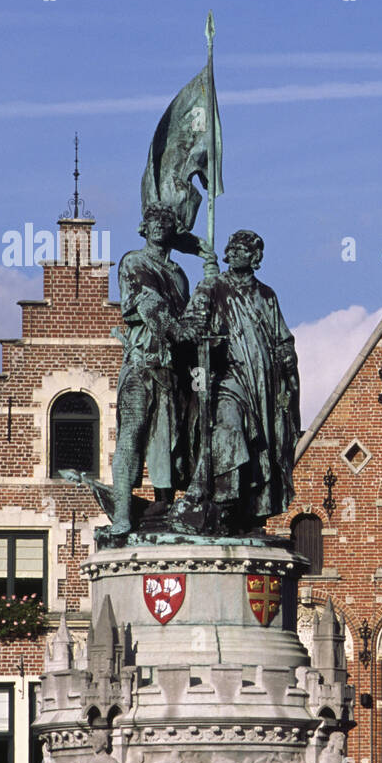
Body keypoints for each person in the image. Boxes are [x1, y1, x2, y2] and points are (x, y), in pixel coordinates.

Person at [177, 229, 300, 534]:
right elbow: (192, 325)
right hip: (225, 377)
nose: (232, 252)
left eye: (241, 249)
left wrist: (287, 361)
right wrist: (195, 335)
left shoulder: (267, 295)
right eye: (230, 247)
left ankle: (250, 512)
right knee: (229, 430)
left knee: (263, 447)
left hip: (262, 384)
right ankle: (224, 503)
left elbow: (282, 338)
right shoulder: (211, 287)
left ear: (255, 258)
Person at [108, 204, 203, 535]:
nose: (160, 225)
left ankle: (165, 503)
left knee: (168, 440)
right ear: (143, 227)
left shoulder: (179, 274)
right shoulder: (134, 261)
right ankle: (122, 512)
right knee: (132, 434)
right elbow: (150, 305)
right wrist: (179, 331)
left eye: (166, 221)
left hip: (171, 369)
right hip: (141, 362)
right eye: (153, 221)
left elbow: (188, 315)